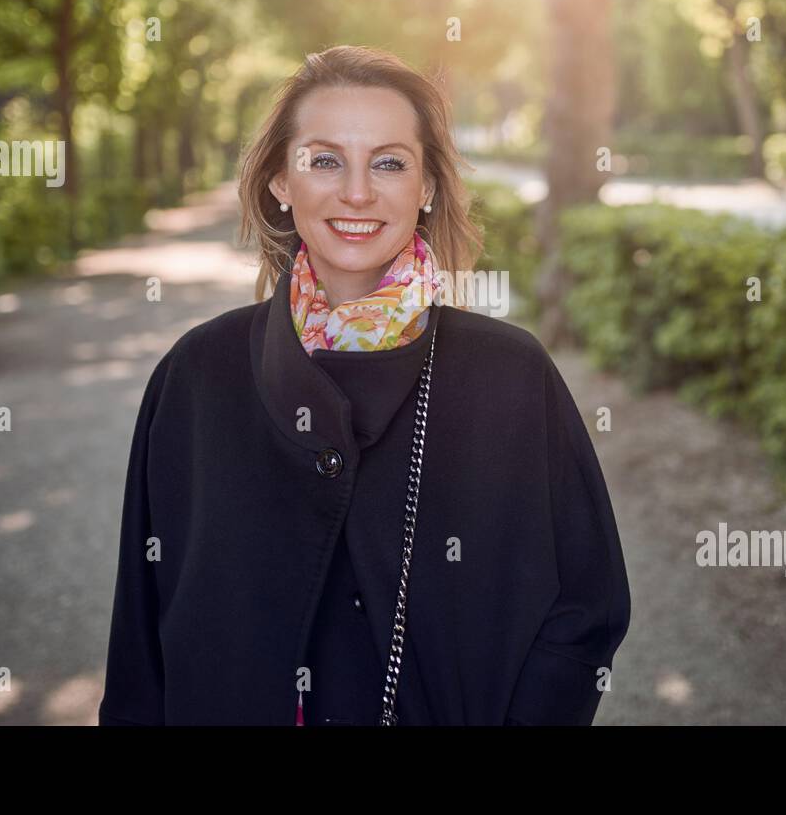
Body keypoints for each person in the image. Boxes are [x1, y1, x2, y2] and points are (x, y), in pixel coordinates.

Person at [97, 44, 632, 725]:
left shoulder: (512, 376)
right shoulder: (195, 376)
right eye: (324, 160)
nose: (356, 191)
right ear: (280, 182)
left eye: (388, 161)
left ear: (429, 185)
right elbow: (141, 638)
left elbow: (588, 606)